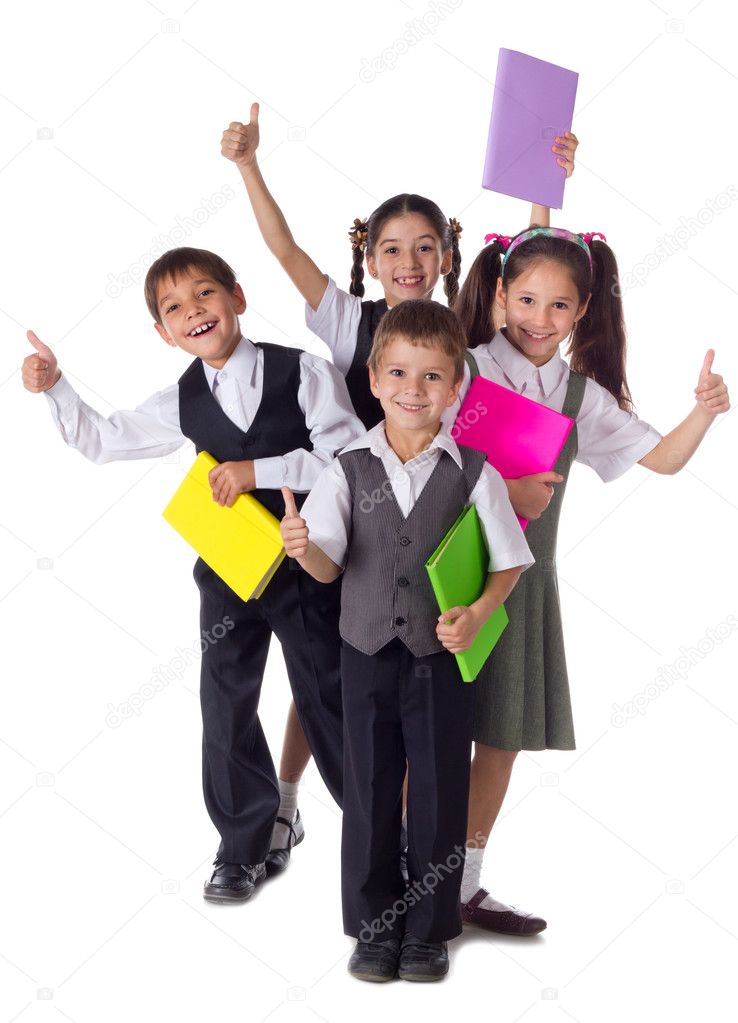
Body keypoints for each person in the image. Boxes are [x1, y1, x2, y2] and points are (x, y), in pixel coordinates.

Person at [221, 105, 578, 850]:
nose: (408, 260)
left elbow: (532, 281)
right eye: (391, 249)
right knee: (328, 677)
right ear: (371, 259)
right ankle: (291, 807)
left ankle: (422, 851)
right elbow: (284, 249)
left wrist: (547, 189)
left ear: (447, 255)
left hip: (432, 528)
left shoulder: (461, 337)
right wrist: (249, 165)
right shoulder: (351, 324)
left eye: (423, 247)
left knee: (419, 690)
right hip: (352, 525)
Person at [21, 246, 364, 901]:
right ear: (163, 333)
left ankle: (379, 835)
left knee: (330, 699)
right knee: (224, 701)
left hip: (306, 563)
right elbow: (102, 438)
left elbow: (349, 463)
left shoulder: (304, 371)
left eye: (204, 294)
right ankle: (246, 843)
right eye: (174, 308)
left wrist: (260, 472)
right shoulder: (181, 399)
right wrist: (57, 385)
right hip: (230, 570)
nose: (192, 312)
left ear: (237, 296)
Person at [450, 226, 730, 934]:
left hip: (520, 583)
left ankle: (462, 885)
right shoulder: (463, 366)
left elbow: (661, 459)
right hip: (444, 575)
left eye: (559, 306)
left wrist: (704, 409)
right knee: (427, 733)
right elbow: (415, 449)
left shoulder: (580, 394)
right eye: (526, 299)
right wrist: (504, 489)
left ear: (581, 313)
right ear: (502, 294)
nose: (538, 319)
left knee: (501, 737)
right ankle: (397, 880)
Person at [280, 299, 534, 982]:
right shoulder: (348, 468)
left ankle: (429, 926)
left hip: (440, 660)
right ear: (372, 376)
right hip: (363, 655)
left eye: (430, 378)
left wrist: (479, 612)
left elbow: (510, 561)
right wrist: (302, 549)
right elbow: (330, 565)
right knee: (369, 792)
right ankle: (374, 926)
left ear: (457, 389)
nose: (412, 390)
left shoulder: (474, 471)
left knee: (440, 791)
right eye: (398, 372)